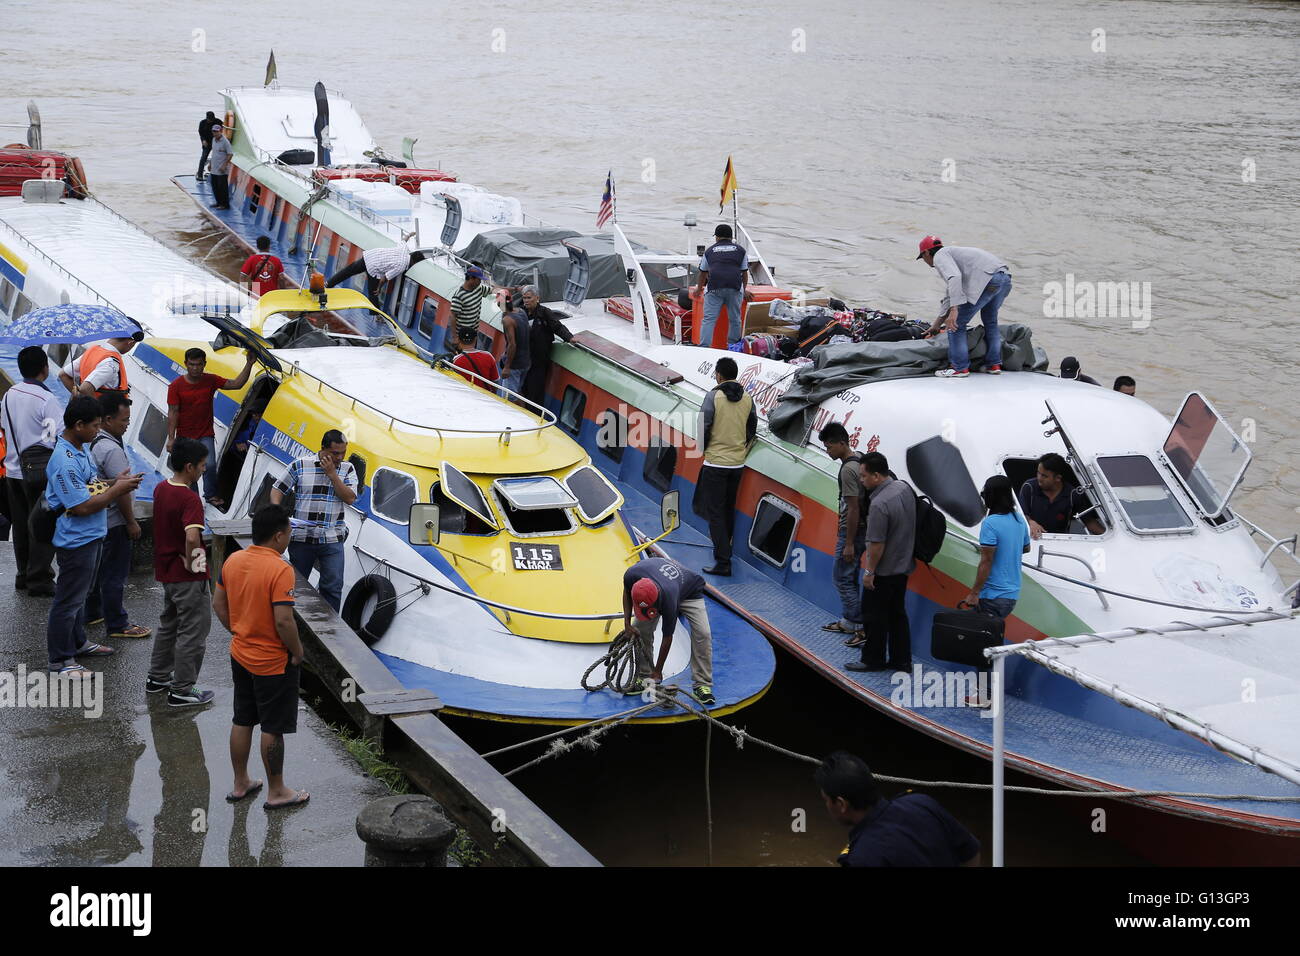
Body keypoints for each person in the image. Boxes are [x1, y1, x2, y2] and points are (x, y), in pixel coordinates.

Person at [215, 504, 309, 810]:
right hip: (272, 662)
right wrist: (297, 652)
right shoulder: (281, 569)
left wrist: (236, 628)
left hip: (240, 654)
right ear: (279, 536)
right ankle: (277, 791)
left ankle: (240, 782)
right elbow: (284, 620)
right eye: (289, 534)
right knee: (272, 727)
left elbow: (218, 602)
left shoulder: (233, 560)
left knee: (242, 718)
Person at [44, 397, 143, 677]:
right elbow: (80, 505)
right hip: (76, 541)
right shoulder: (63, 461)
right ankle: (60, 660)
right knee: (68, 601)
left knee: (81, 596)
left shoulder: (81, 449)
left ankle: (78, 643)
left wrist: (116, 481)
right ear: (78, 425)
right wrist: (118, 491)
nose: (98, 431)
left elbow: (90, 485)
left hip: (92, 535)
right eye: (95, 426)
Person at [816, 751, 981, 867]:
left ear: (841, 804)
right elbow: (971, 851)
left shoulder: (861, 858)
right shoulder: (921, 802)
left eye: (826, 800)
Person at [147, 438, 215, 708]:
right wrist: (195, 565)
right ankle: (182, 689)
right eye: (201, 465)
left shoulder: (161, 488)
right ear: (189, 467)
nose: (203, 470)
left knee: (169, 625)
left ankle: (158, 677)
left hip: (166, 572)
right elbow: (192, 537)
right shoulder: (190, 499)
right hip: (187, 577)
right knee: (194, 632)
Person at [83, 391, 151, 642]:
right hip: (114, 522)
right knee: (114, 575)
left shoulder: (95, 442)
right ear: (108, 420)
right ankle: (117, 623)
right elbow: (121, 492)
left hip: (99, 520)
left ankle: (91, 613)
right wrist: (131, 522)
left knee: (98, 571)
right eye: (124, 421)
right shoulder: (112, 450)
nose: (127, 425)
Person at [269, 429, 358, 611]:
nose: (340, 457)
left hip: (332, 539)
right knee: (296, 586)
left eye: (343, 453)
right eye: (335, 453)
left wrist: (333, 475)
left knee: (332, 588)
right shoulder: (300, 465)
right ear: (323, 449)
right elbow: (277, 489)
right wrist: (277, 512)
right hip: (302, 538)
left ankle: (330, 631)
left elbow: (349, 498)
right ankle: (293, 624)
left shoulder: (347, 469)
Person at [846, 452, 915, 673]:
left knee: (873, 616)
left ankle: (872, 659)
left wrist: (869, 572)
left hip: (884, 571)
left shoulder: (879, 503)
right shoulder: (904, 488)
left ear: (876, 476)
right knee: (897, 614)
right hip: (903, 566)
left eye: (864, 476)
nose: (861, 480)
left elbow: (876, 543)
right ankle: (901, 660)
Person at [2, 346, 62, 595]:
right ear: (44, 369)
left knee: (21, 523)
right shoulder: (46, 399)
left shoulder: (8, 395)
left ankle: (23, 574)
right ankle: (41, 579)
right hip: (39, 473)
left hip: (13, 471)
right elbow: (53, 438)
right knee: (42, 525)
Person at [166, 347, 256, 504]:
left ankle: (210, 495)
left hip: (205, 433)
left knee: (210, 464)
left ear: (204, 364)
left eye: (199, 364)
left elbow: (236, 384)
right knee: (190, 470)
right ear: (186, 364)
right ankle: (192, 499)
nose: (195, 368)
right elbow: (173, 412)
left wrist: (249, 364)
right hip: (185, 437)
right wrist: (171, 438)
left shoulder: (211, 380)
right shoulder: (176, 386)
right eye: (192, 364)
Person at [621, 556, 714, 705]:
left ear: (656, 602)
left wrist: (658, 671)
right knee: (639, 627)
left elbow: (667, 637)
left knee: (703, 633)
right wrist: (627, 624)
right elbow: (626, 593)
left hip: (690, 593)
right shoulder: (631, 575)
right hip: (663, 583)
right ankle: (644, 676)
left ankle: (702, 685)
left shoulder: (669, 599)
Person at [695, 356, 756, 576]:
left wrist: (704, 449)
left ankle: (723, 562)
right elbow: (752, 428)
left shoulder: (713, 397)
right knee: (728, 510)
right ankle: (725, 552)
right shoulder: (748, 398)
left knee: (715, 513)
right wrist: (741, 447)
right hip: (737, 464)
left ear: (719, 375)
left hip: (715, 463)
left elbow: (704, 425)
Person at [918, 236, 1012, 378]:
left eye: (922, 258)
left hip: (989, 278)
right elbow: (951, 293)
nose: (925, 262)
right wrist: (936, 325)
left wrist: (954, 311)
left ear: (926, 253)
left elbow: (954, 277)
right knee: (990, 321)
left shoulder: (940, 256)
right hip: (1004, 277)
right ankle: (994, 364)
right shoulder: (955, 254)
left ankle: (959, 368)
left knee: (955, 325)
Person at [819, 422, 865, 645]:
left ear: (842, 443)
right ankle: (850, 621)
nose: (828, 452)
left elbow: (853, 507)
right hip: (862, 530)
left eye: (829, 447)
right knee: (851, 575)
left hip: (853, 532)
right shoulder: (860, 461)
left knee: (841, 577)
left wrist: (848, 543)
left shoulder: (848, 470)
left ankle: (859, 625)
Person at [1018, 452, 1104, 538]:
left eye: (1044, 476)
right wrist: (1030, 522)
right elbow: (1019, 514)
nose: (1039, 478)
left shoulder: (1072, 494)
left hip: (1061, 541)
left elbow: (1088, 521)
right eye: (1038, 473)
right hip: (1033, 539)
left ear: (1058, 478)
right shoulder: (1029, 487)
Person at [692, 224, 752, 347]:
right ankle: (733, 346)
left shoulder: (709, 251)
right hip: (734, 288)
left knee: (709, 319)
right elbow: (744, 273)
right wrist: (744, 290)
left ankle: (704, 347)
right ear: (731, 237)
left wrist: (698, 289)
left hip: (714, 287)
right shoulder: (741, 251)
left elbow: (702, 273)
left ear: (717, 237)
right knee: (735, 319)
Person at [518, 285, 573, 406]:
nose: (526, 301)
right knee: (521, 389)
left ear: (537, 298)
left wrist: (570, 338)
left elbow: (557, 327)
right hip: (523, 360)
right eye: (524, 298)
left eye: (529, 298)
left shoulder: (545, 313)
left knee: (535, 392)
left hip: (539, 361)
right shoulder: (520, 313)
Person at [325, 245, 425, 307]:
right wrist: (380, 289)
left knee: (348, 271)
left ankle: (329, 284)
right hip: (374, 267)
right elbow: (384, 278)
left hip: (371, 256)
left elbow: (404, 240)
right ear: (414, 262)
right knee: (373, 293)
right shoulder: (402, 266)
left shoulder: (404, 249)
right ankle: (376, 315)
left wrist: (410, 235)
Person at [59, 334, 139, 398]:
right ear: (130, 342)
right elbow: (85, 388)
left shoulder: (92, 351)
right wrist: (99, 414)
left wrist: (79, 398)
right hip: (98, 416)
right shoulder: (111, 362)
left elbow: (63, 375)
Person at [449, 265, 491, 352]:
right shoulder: (459, 296)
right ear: (472, 278)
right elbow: (453, 316)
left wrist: (514, 289)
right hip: (463, 337)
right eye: (479, 280)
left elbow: (493, 290)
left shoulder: (479, 289)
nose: (480, 282)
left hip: (473, 334)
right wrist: (455, 337)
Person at [499, 301, 531, 397]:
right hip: (525, 361)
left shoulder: (507, 320)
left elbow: (512, 344)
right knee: (517, 393)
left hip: (514, 365)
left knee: (508, 398)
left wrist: (507, 366)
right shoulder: (521, 312)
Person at [208, 122, 232, 209]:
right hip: (214, 168)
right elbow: (213, 153)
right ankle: (218, 202)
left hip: (222, 170)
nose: (215, 133)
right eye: (213, 131)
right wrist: (210, 164)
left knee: (223, 188)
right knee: (215, 187)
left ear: (220, 131)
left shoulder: (225, 142)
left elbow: (230, 154)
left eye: (216, 131)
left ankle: (225, 205)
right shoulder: (213, 140)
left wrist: (224, 165)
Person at [197, 111, 219, 181]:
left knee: (217, 158)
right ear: (207, 118)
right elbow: (200, 133)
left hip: (216, 143)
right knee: (203, 158)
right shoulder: (202, 123)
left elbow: (223, 131)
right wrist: (203, 140)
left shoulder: (218, 122)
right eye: (209, 120)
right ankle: (200, 175)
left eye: (212, 119)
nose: (210, 121)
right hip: (206, 143)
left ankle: (215, 175)